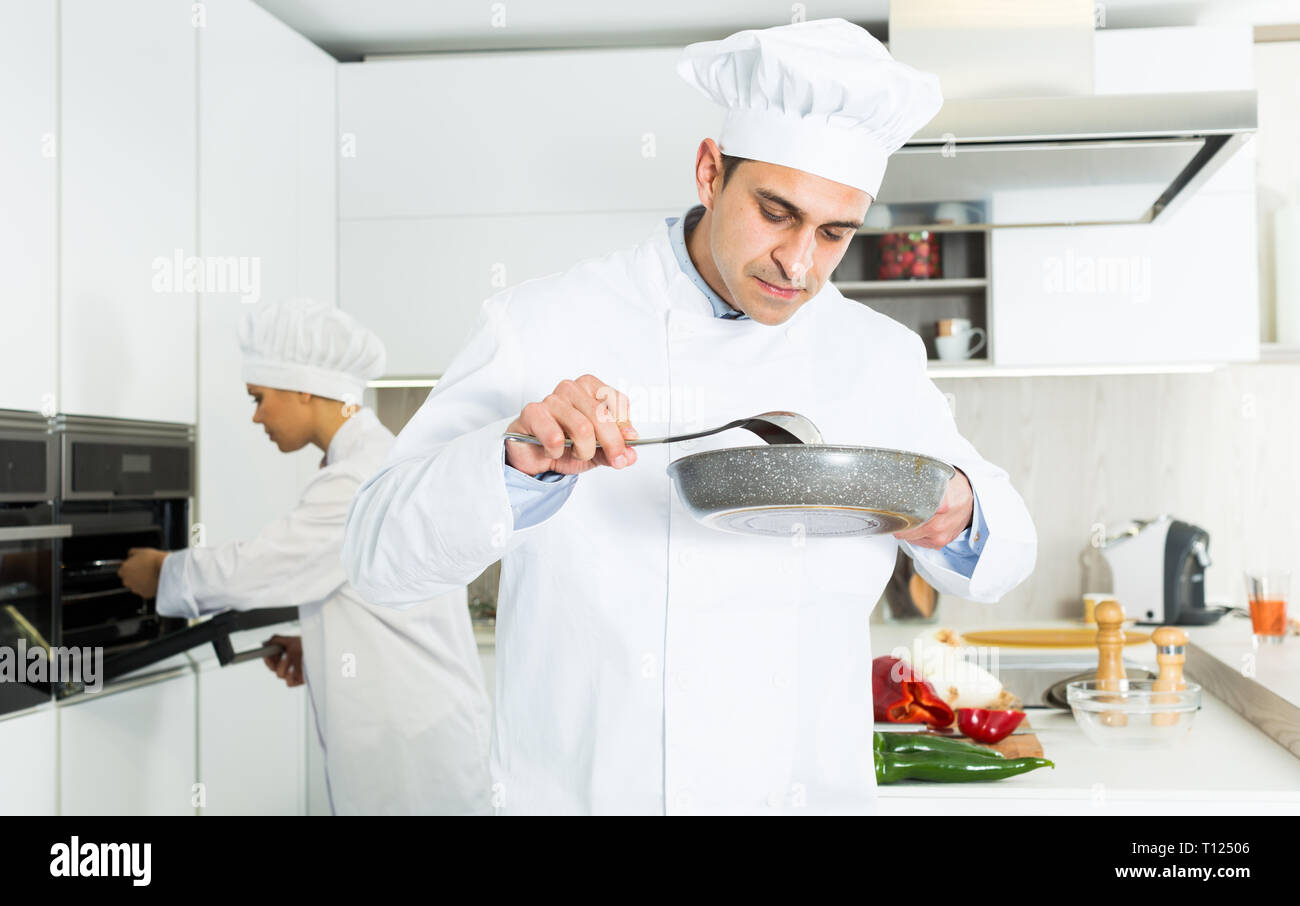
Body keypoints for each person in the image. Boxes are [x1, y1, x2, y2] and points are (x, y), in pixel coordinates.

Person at [341, 18, 1037, 815]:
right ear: (710, 171)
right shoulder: (542, 324)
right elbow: (376, 558)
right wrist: (511, 462)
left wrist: (960, 507)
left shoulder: (876, 356)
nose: (799, 263)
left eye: (835, 231)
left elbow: (1007, 549)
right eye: (776, 213)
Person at [118, 299, 492, 815]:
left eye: (259, 398)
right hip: (417, 738)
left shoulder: (359, 478)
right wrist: (318, 644)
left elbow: (264, 567)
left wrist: (162, 572)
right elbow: (369, 593)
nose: (256, 417)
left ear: (301, 388)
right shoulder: (374, 460)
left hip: (414, 758)